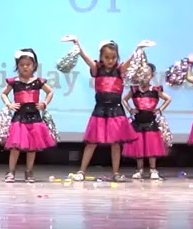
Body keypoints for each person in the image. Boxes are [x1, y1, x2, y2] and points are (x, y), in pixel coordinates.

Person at [61, 35, 153, 182]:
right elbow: (85, 58)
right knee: (92, 142)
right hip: (100, 110)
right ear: (101, 57)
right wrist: (77, 44)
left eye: (113, 57)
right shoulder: (97, 69)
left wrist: (138, 49)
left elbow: (131, 61)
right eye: (107, 57)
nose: (110, 60)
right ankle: (81, 171)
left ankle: (116, 173)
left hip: (116, 111)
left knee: (116, 143)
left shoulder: (120, 70)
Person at [0, 48, 56, 183]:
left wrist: (44, 103)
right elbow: (3, 93)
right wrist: (9, 104)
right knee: (15, 147)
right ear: (17, 66)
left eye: (28, 64)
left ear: (34, 66)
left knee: (32, 147)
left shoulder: (38, 81)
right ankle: (11, 172)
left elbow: (50, 92)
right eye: (21, 64)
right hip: (19, 118)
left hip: (34, 117)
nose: (25, 67)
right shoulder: (14, 82)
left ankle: (29, 172)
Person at [122, 62, 172, 180]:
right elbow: (124, 99)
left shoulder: (155, 89)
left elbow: (168, 99)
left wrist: (160, 109)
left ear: (152, 75)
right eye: (141, 74)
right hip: (138, 121)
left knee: (152, 146)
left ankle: (153, 169)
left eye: (147, 74)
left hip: (151, 121)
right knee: (138, 146)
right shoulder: (134, 89)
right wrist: (130, 109)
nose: (144, 77)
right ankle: (139, 170)